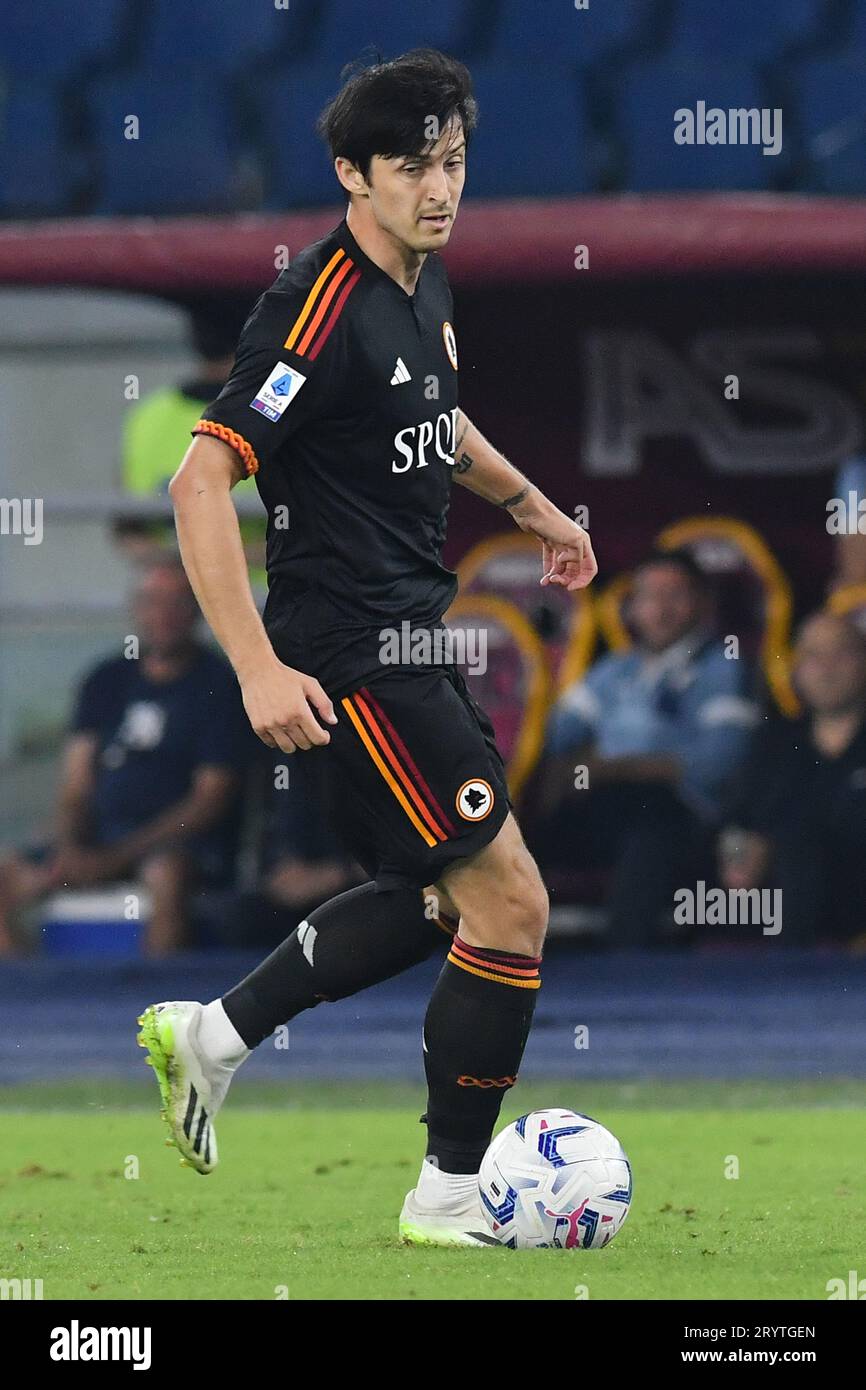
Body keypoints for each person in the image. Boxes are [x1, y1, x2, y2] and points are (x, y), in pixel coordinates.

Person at [135, 48, 597, 1245]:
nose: (439, 188)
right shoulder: (314, 303)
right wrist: (254, 666)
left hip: (412, 637)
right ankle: (447, 1196)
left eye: (452, 163)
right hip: (347, 651)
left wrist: (532, 505)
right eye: (411, 167)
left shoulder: (422, 287)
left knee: (433, 901)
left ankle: (210, 1036)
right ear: (351, 173)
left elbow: (436, 424)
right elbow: (199, 483)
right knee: (510, 903)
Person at [0, 556, 249, 956]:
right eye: (152, 600)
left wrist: (115, 857)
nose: (163, 614)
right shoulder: (107, 679)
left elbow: (209, 801)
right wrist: (69, 847)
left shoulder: (219, 686)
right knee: (6, 876)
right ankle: (33, 1003)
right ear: (136, 608)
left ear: (198, 611)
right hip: (100, 838)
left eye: (177, 602)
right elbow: (76, 785)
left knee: (166, 876)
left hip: (179, 847)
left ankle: (157, 1006)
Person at [531, 551, 758, 945]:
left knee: (650, 816)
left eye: (674, 595)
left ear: (703, 603)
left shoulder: (723, 667)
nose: (661, 609)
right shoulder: (615, 670)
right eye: (649, 596)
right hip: (604, 804)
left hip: (684, 816)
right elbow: (554, 737)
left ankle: (628, 966)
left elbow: (718, 764)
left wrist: (611, 768)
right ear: (632, 607)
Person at [718, 611, 866, 946]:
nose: (827, 669)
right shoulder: (776, 744)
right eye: (814, 656)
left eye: (841, 653)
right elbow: (738, 822)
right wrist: (738, 857)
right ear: (797, 669)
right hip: (792, 901)